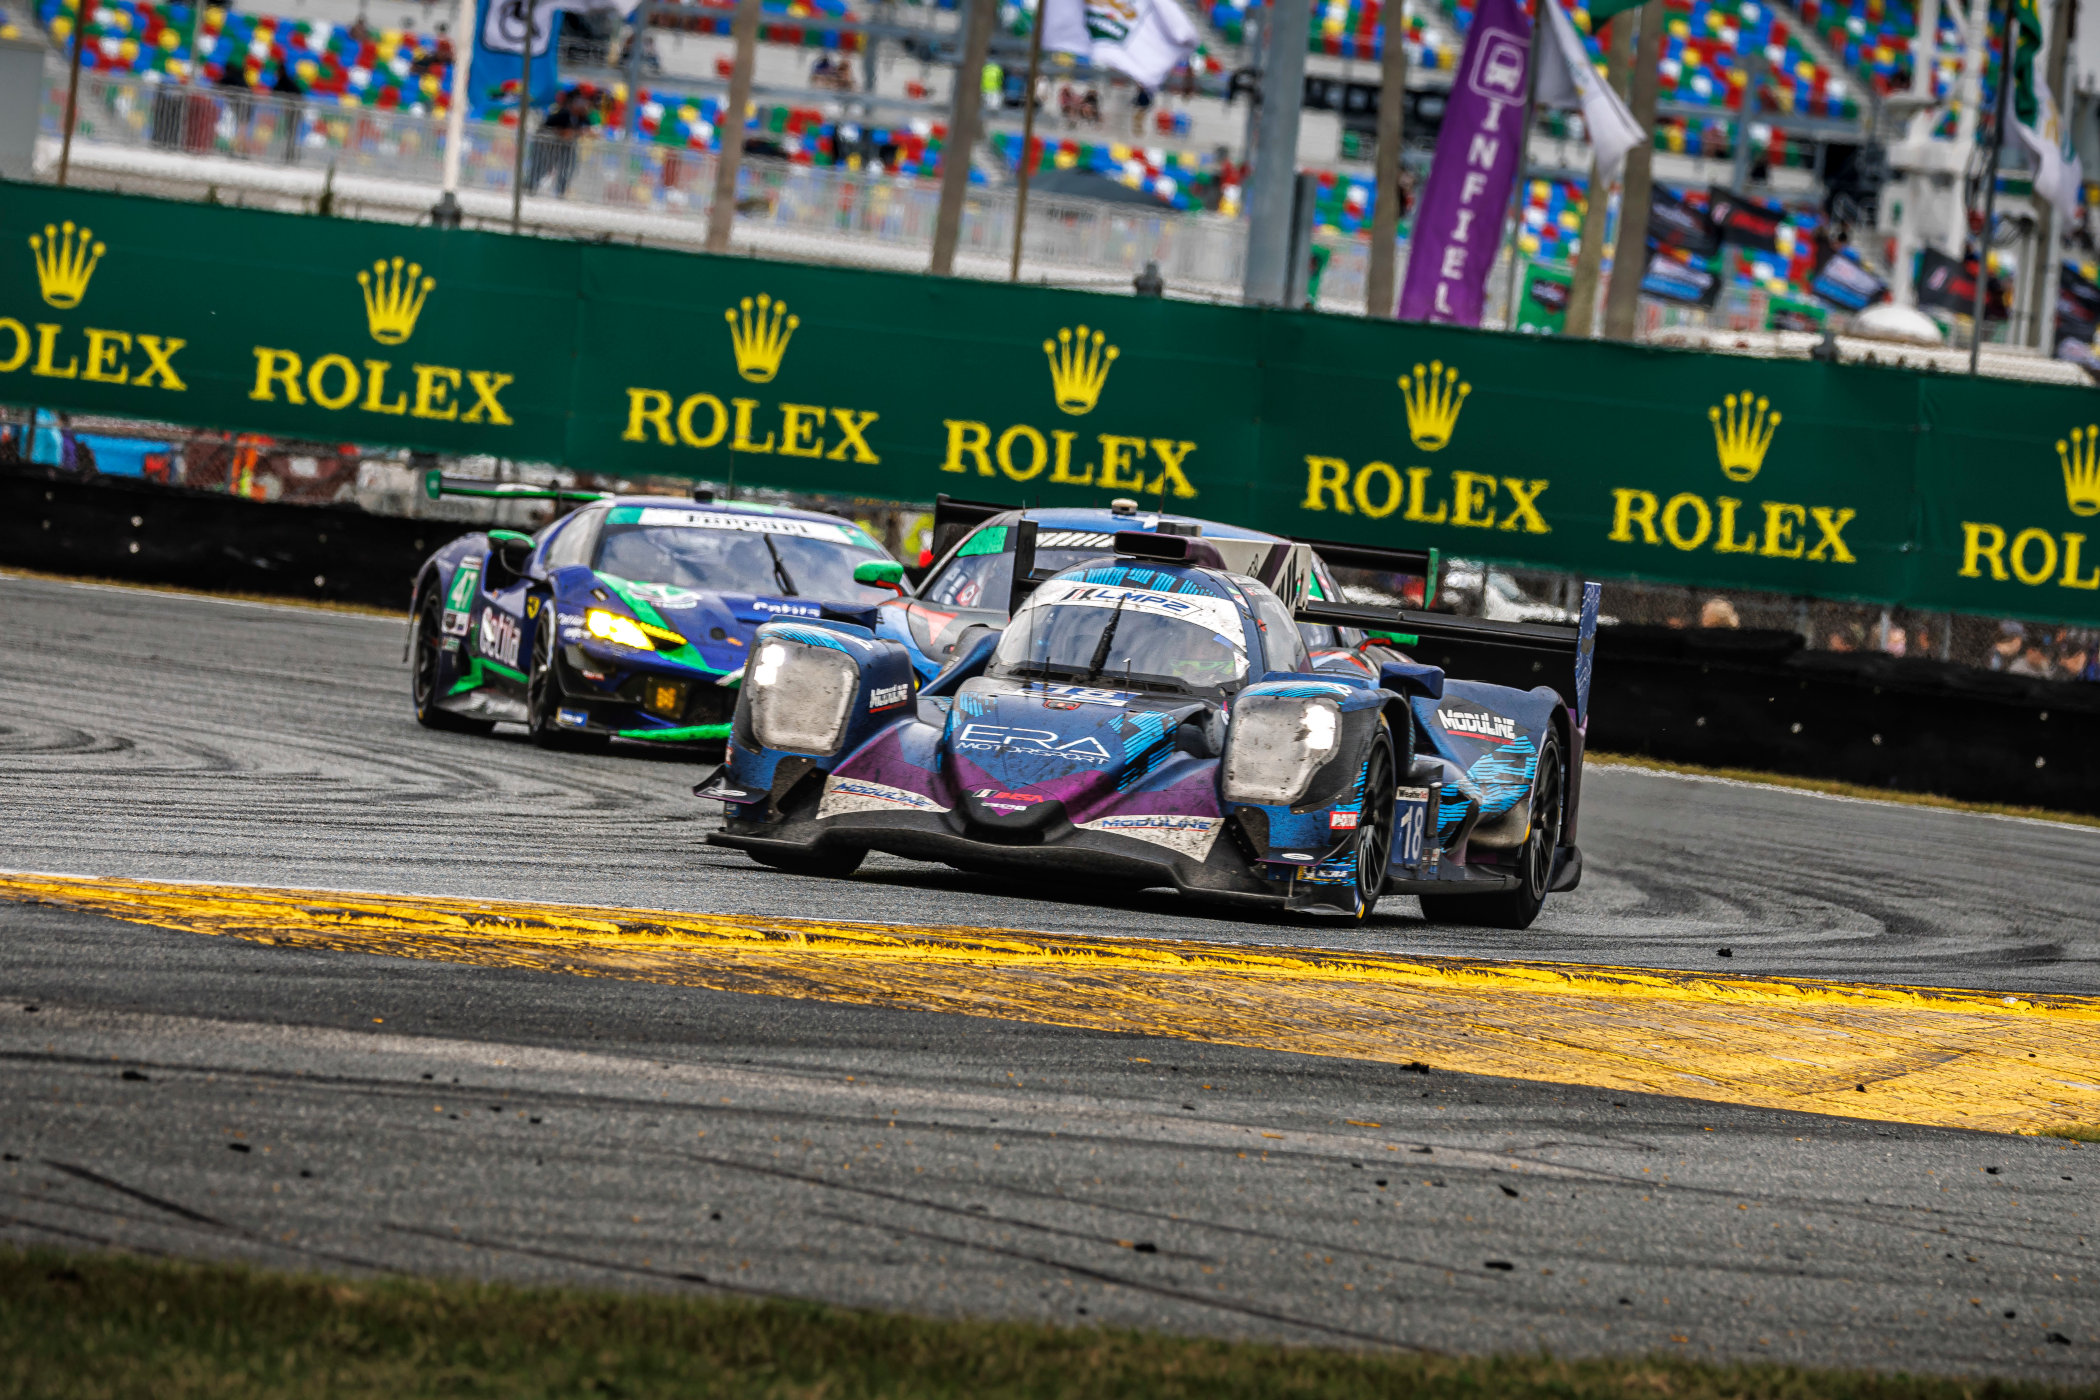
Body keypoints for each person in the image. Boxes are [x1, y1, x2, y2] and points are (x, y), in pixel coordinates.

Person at [527, 87, 593, 196]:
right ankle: (530, 189)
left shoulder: (583, 118)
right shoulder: (563, 114)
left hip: (564, 150)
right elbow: (561, 132)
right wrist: (576, 132)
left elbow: (588, 131)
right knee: (541, 169)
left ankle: (560, 192)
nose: (586, 106)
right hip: (546, 147)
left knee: (567, 169)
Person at [272, 60, 305, 163]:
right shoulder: (286, 81)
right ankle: (289, 154)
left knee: (291, 133)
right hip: (294, 110)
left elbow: (275, 91)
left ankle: (290, 154)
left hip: (295, 111)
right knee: (291, 133)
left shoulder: (284, 81)